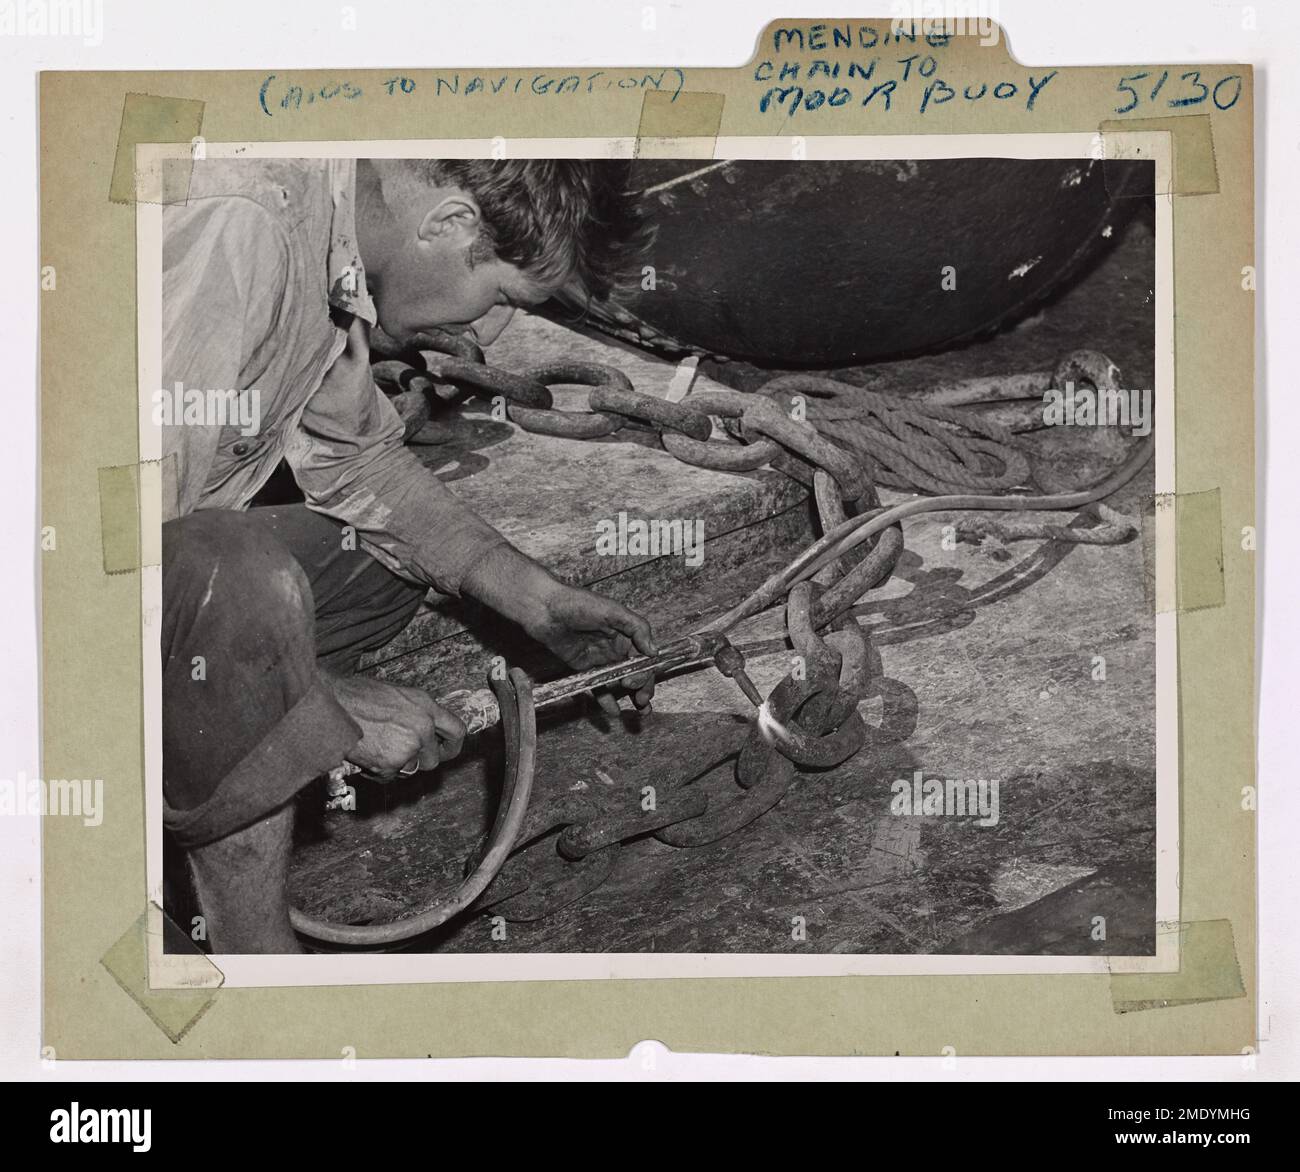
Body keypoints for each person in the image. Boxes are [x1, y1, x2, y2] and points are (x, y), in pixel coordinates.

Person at [160, 157, 656, 953]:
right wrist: (310, 700)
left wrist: (533, 598)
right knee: (244, 581)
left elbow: (357, 464)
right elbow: (90, 546)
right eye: (500, 299)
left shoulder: (336, 236)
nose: (483, 336)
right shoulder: (239, 225)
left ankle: (195, 762)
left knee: (370, 569)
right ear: (449, 224)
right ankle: (254, 980)